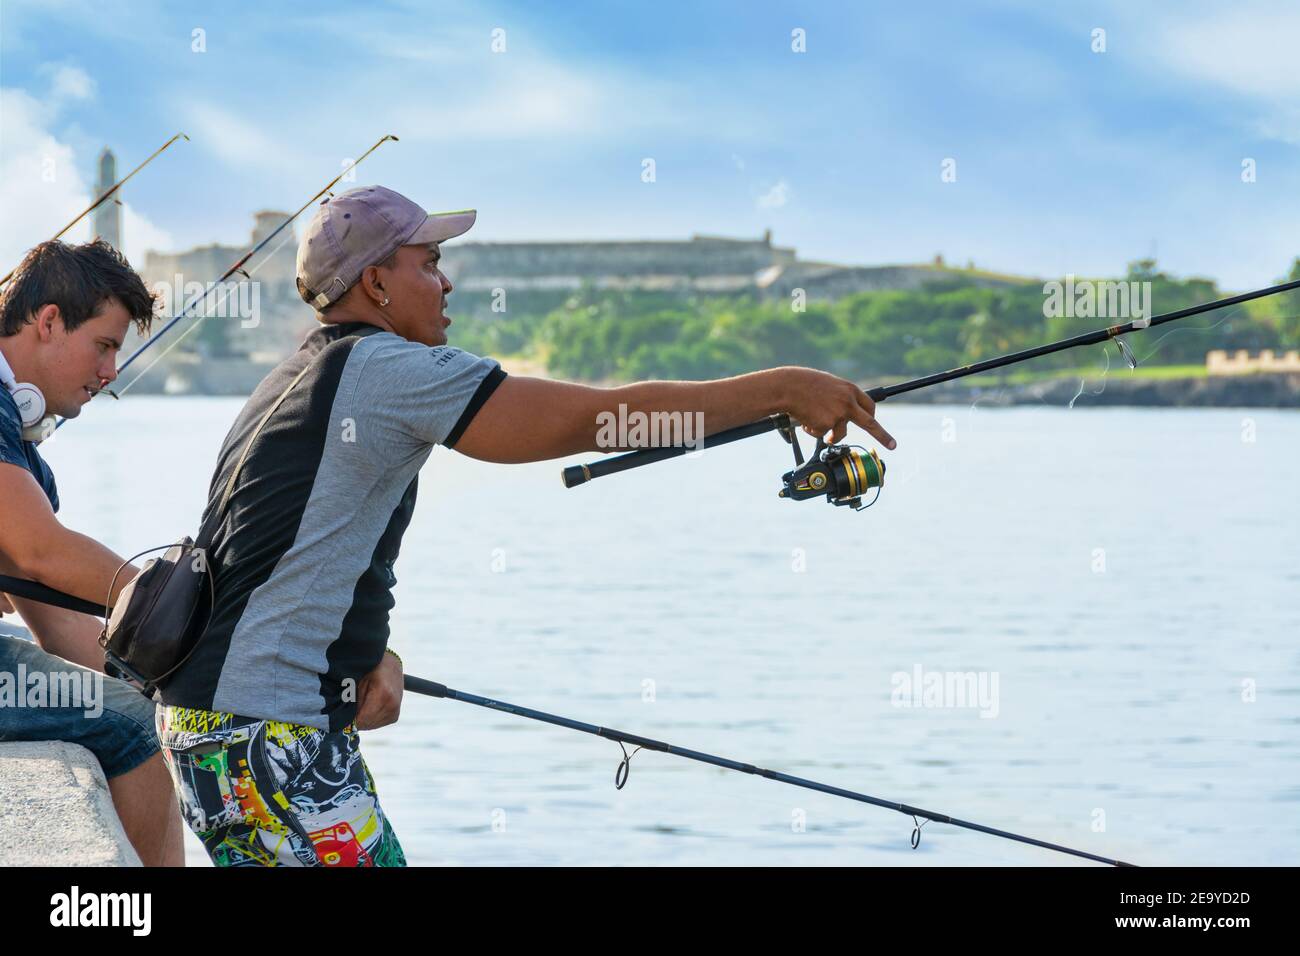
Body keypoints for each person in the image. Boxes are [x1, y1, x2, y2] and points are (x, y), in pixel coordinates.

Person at [156, 185, 896, 867]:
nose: (447, 283)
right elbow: (599, 419)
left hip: (216, 728)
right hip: (268, 737)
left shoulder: (293, 377)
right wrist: (786, 389)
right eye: (431, 263)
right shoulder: (389, 370)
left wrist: (360, 653)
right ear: (376, 283)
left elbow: (281, 554)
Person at [0, 239, 185, 866]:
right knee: (130, 728)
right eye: (103, 346)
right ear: (49, 321)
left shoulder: (23, 459)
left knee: (144, 713)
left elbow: (56, 617)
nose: (110, 374)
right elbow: (40, 551)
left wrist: (163, 675)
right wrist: (165, 602)